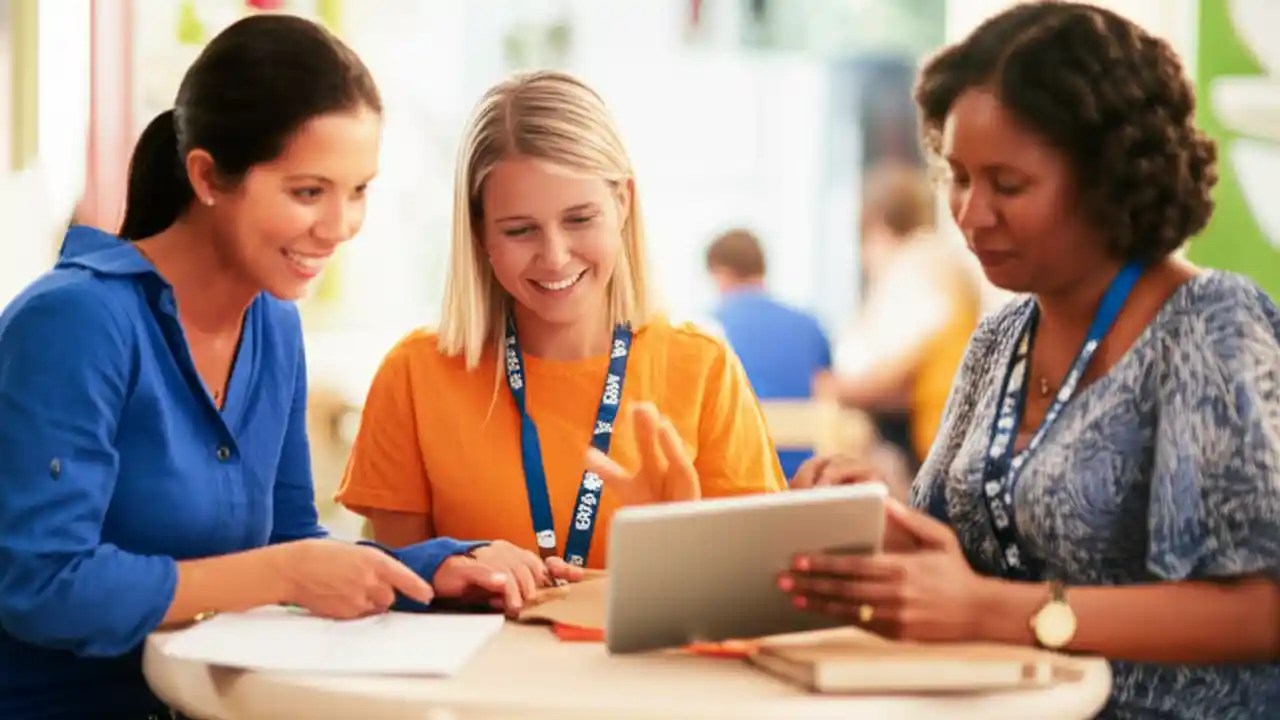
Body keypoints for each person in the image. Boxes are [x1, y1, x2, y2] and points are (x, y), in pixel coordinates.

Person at [0, 17, 577, 720]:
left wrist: (435, 568)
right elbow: (41, 584)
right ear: (208, 176)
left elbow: (290, 543)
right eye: (309, 192)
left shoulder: (272, 323)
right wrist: (283, 573)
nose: (339, 226)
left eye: (358, 189)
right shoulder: (75, 322)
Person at [779, 3, 1279, 718]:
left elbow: (1261, 614)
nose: (971, 214)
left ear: (1112, 178)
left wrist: (996, 612)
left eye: (1007, 186)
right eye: (957, 176)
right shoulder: (1000, 339)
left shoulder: (1209, 327)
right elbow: (956, 561)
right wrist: (877, 519)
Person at [335, 70, 785, 570]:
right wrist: (453, 566)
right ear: (480, 233)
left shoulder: (703, 368)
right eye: (521, 229)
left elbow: (758, 585)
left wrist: (682, 545)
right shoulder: (415, 374)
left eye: (579, 219)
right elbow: (398, 594)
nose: (554, 256)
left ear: (622, 203)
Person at [819, 161, 981, 467]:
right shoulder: (939, 262)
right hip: (949, 432)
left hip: (936, 440)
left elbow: (891, 367)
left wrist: (834, 388)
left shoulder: (917, 269)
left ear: (876, 227)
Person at [704, 228, 832, 479]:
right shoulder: (809, 325)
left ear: (720, 273)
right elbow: (828, 400)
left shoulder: (705, 331)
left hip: (738, 480)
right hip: (804, 478)